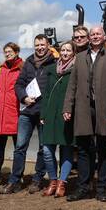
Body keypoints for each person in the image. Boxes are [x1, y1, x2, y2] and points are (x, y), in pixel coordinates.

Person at [64, 23, 106, 202]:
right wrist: (68, 107)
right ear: (89, 38)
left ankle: (102, 189)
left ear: (104, 37)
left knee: (103, 150)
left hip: (104, 109)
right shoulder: (80, 57)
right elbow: (72, 84)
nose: (95, 36)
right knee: (82, 149)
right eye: (93, 34)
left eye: (99, 34)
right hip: (83, 108)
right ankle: (83, 187)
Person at [10, 34, 56, 194]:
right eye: (37, 45)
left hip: (44, 112)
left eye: (42, 44)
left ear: (48, 45)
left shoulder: (54, 63)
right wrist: (23, 97)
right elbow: (19, 84)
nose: (39, 47)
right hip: (27, 111)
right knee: (20, 147)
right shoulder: (28, 63)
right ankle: (14, 180)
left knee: (43, 148)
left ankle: (37, 180)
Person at [38, 41, 76, 197]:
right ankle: (52, 181)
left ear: (73, 53)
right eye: (63, 50)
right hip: (50, 114)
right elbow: (46, 93)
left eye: (68, 50)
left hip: (66, 115)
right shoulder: (52, 70)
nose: (65, 53)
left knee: (66, 150)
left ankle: (62, 183)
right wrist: (43, 114)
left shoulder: (76, 70)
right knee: (47, 150)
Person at [0, 42, 23, 189]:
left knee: (18, 148)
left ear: (16, 52)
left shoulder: (22, 68)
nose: (7, 54)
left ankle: (17, 178)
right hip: (1, 114)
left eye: (10, 51)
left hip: (15, 113)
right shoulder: (2, 69)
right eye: (5, 52)